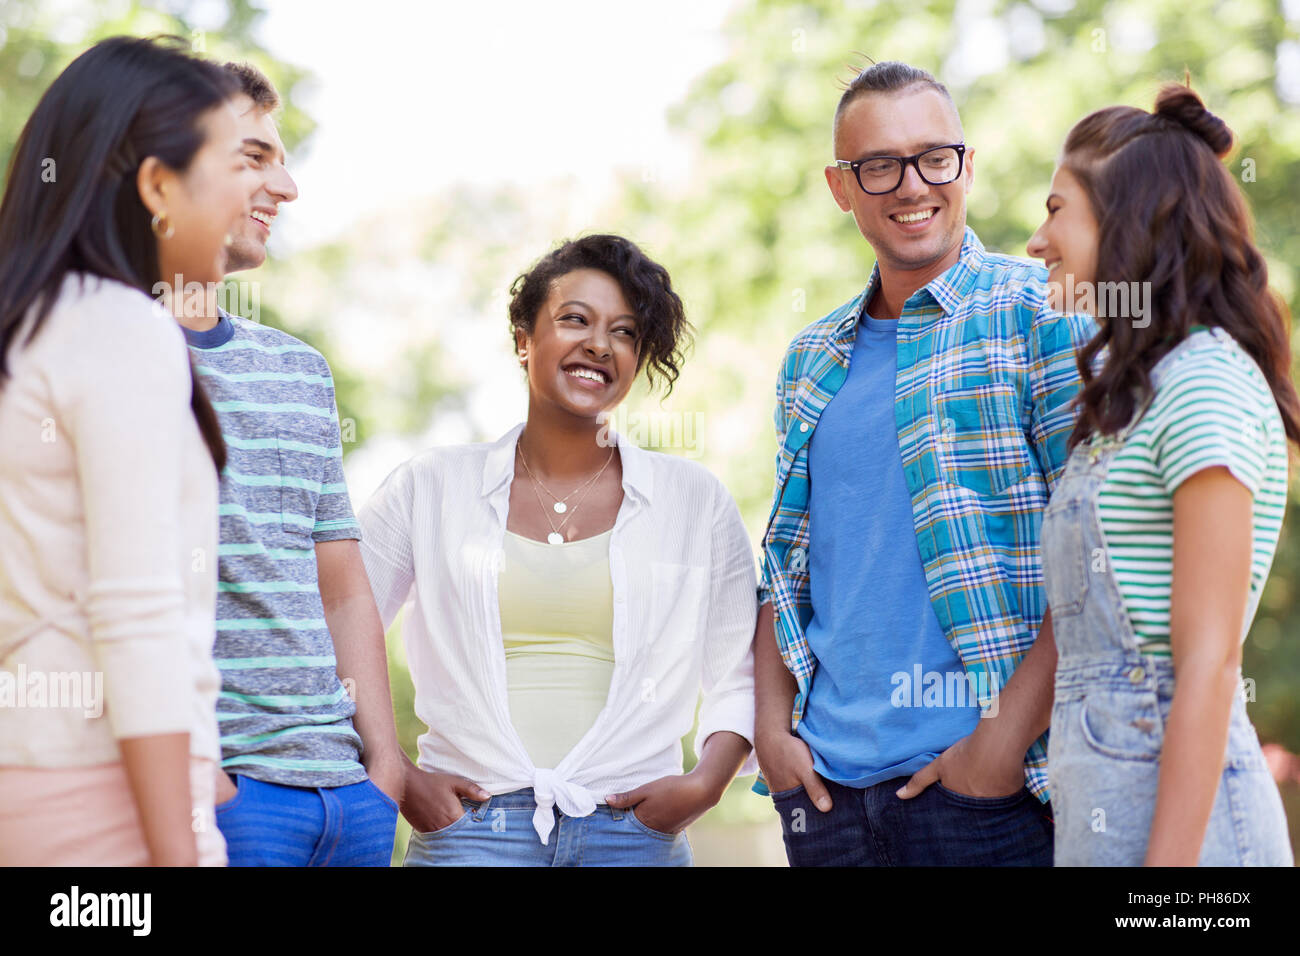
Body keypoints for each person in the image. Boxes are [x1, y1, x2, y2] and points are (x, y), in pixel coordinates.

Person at [752, 60, 1097, 866]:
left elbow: (1099, 552)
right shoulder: (813, 357)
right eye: (879, 166)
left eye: (934, 157)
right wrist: (773, 732)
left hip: (989, 795)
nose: (912, 185)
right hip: (828, 796)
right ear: (842, 187)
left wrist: (999, 746)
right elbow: (785, 561)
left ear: (968, 165)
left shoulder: (1042, 312)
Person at [358, 234, 758, 866]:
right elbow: (336, 633)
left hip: (634, 833)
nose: (599, 344)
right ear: (525, 339)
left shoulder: (695, 501)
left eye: (624, 332)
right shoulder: (429, 487)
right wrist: (401, 775)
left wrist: (704, 785)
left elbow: (741, 667)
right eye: (575, 320)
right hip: (470, 830)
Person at [0, 36, 260, 865]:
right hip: (104, 799)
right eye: (233, 166)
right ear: (157, 185)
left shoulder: (29, 326)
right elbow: (135, 611)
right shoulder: (120, 327)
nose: (251, 193)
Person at [1027, 84, 1297, 866]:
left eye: (1056, 209)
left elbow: (1208, 667)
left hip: (1193, 847)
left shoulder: (1205, 382)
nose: (1039, 239)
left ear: (1127, 221)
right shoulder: (1134, 395)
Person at [170, 62, 403, 866]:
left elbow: (339, 582)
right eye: (255, 158)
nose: (288, 187)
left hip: (348, 802)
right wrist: (198, 777)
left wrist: (385, 770)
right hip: (220, 795)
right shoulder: (82, 353)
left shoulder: (300, 371)